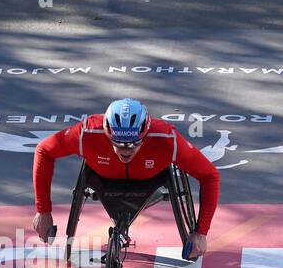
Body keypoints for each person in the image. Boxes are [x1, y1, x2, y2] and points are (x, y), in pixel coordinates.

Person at [30, 98, 221, 258]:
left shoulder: (166, 138)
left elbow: (210, 176)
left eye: (133, 143)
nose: (125, 150)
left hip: (150, 178)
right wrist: (43, 210)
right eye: (118, 143)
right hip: (103, 176)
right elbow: (44, 150)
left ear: (145, 134)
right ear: (107, 133)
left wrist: (201, 232)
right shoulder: (88, 132)